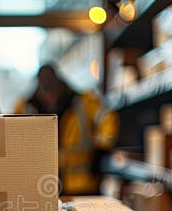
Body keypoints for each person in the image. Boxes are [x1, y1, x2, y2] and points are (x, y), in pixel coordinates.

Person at [14, 64, 119, 195]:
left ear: (59, 84)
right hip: (42, 186)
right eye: (45, 91)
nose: (49, 97)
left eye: (52, 90)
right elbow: (10, 134)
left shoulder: (83, 102)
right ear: (39, 89)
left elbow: (107, 119)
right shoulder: (25, 108)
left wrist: (101, 149)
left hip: (83, 185)